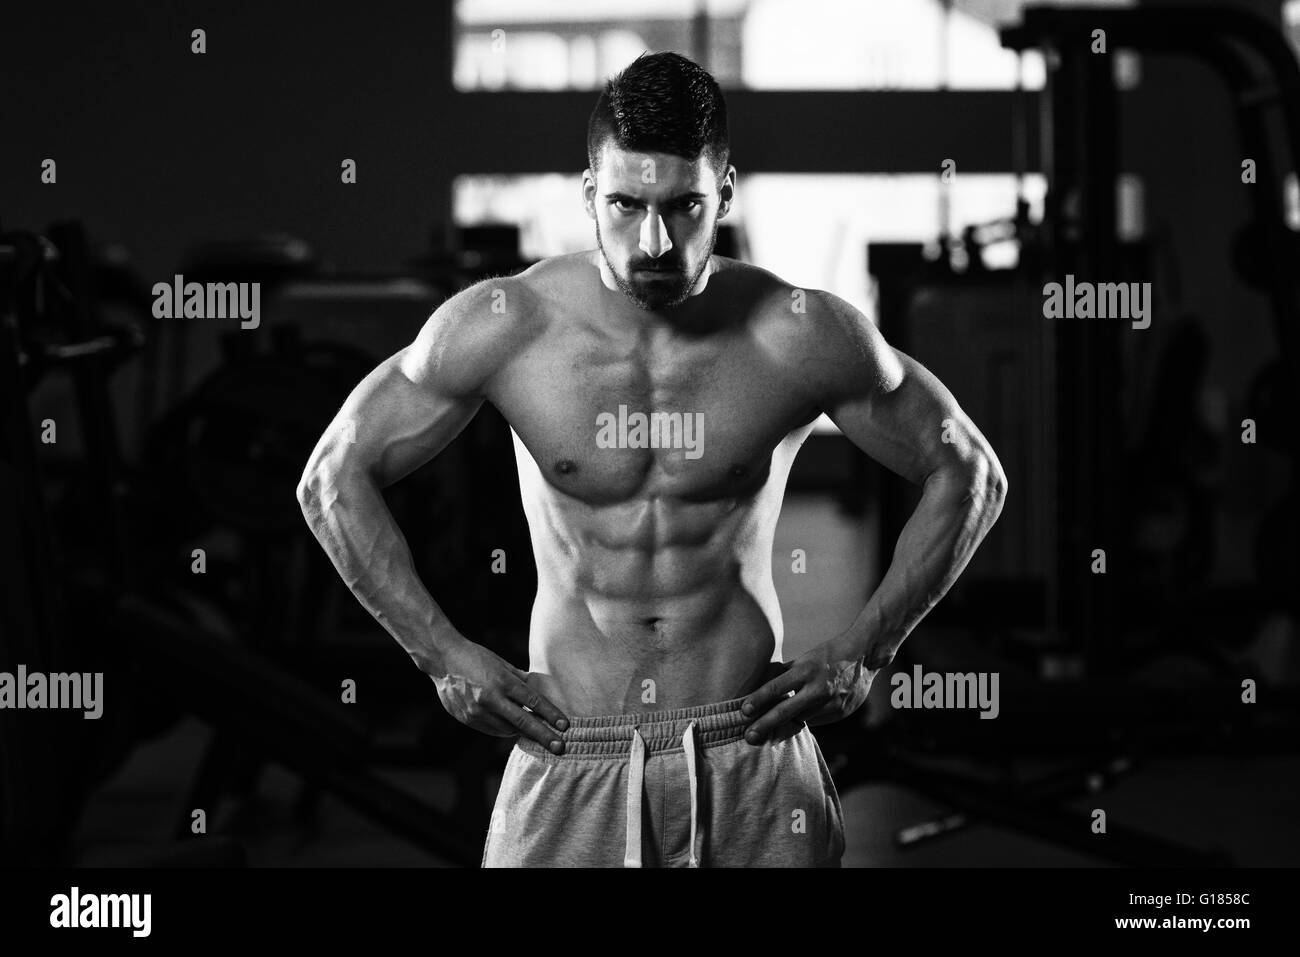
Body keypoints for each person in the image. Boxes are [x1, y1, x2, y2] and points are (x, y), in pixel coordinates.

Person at [296, 51, 1007, 868]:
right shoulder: (507, 324)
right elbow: (331, 478)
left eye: (685, 206)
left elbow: (971, 473)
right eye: (628, 204)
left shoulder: (798, 333)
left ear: (725, 193)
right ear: (590, 193)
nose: (656, 239)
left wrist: (865, 649)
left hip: (751, 748)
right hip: (572, 748)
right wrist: (442, 656)